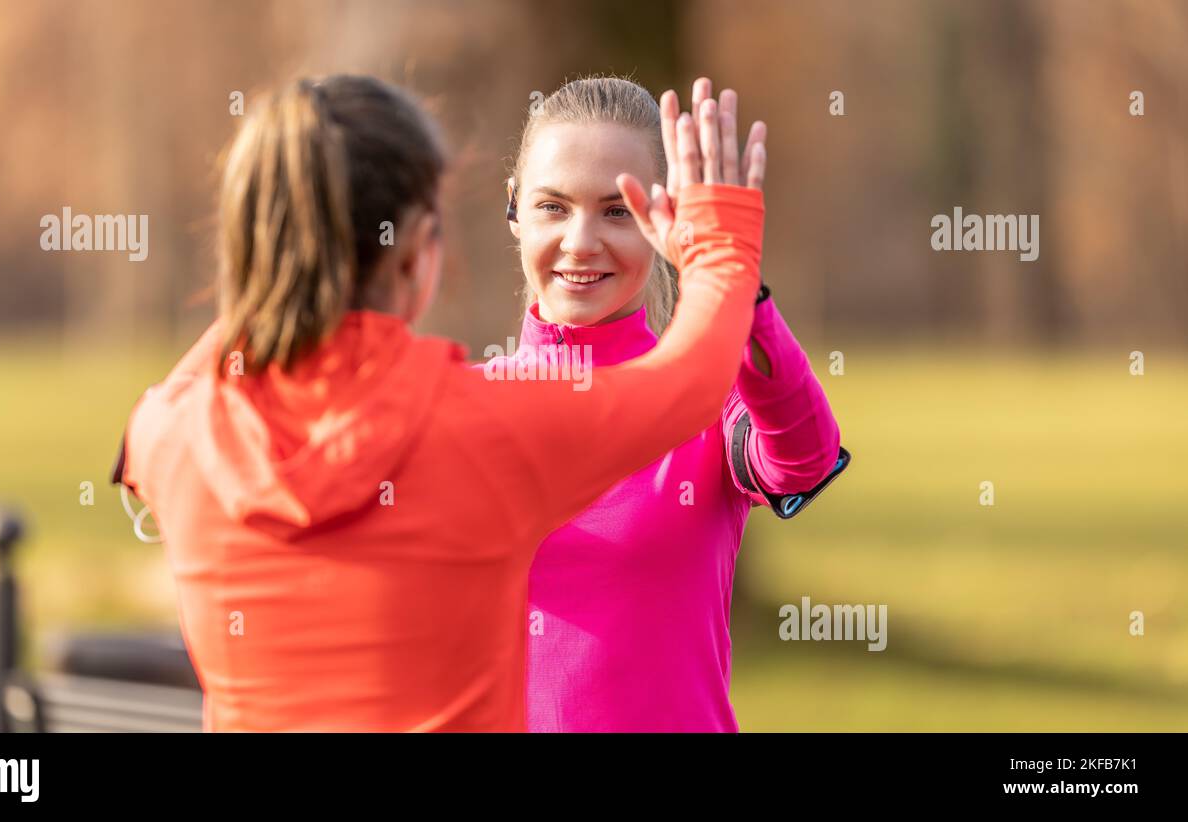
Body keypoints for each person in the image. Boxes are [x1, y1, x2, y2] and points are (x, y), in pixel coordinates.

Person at [115, 74, 769, 731]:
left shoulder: (170, 433)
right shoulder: (490, 427)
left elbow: (162, 413)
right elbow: (692, 379)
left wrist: (281, 266)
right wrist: (719, 241)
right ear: (418, 255)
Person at [495, 76, 848, 732]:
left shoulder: (706, 403)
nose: (580, 241)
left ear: (666, 221)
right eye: (553, 207)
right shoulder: (465, 408)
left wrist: (729, 283)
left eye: (616, 210)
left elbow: (805, 456)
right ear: (514, 209)